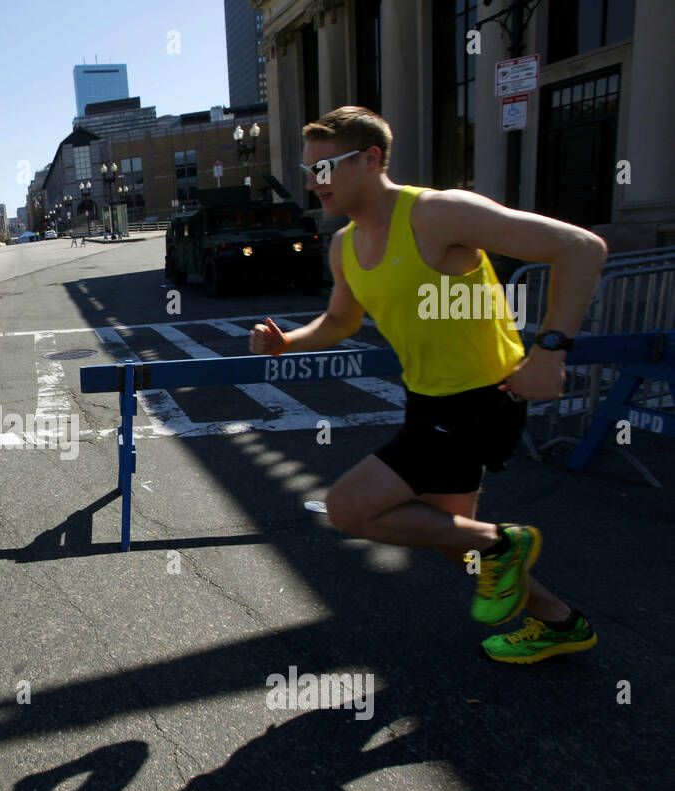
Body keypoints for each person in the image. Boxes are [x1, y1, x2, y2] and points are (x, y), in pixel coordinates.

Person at [249, 106, 604, 664]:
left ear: (370, 160)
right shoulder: (345, 245)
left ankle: (505, 542)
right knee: (446, 534)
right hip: (428, 399)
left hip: (485, 397)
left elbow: (581, 248)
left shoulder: (439, 214)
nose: (313, 182)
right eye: (307, 170)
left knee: (349, 508)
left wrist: (549, 352)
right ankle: (559, 621)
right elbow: (341, 322)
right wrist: (286, 342)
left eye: (325, 168)